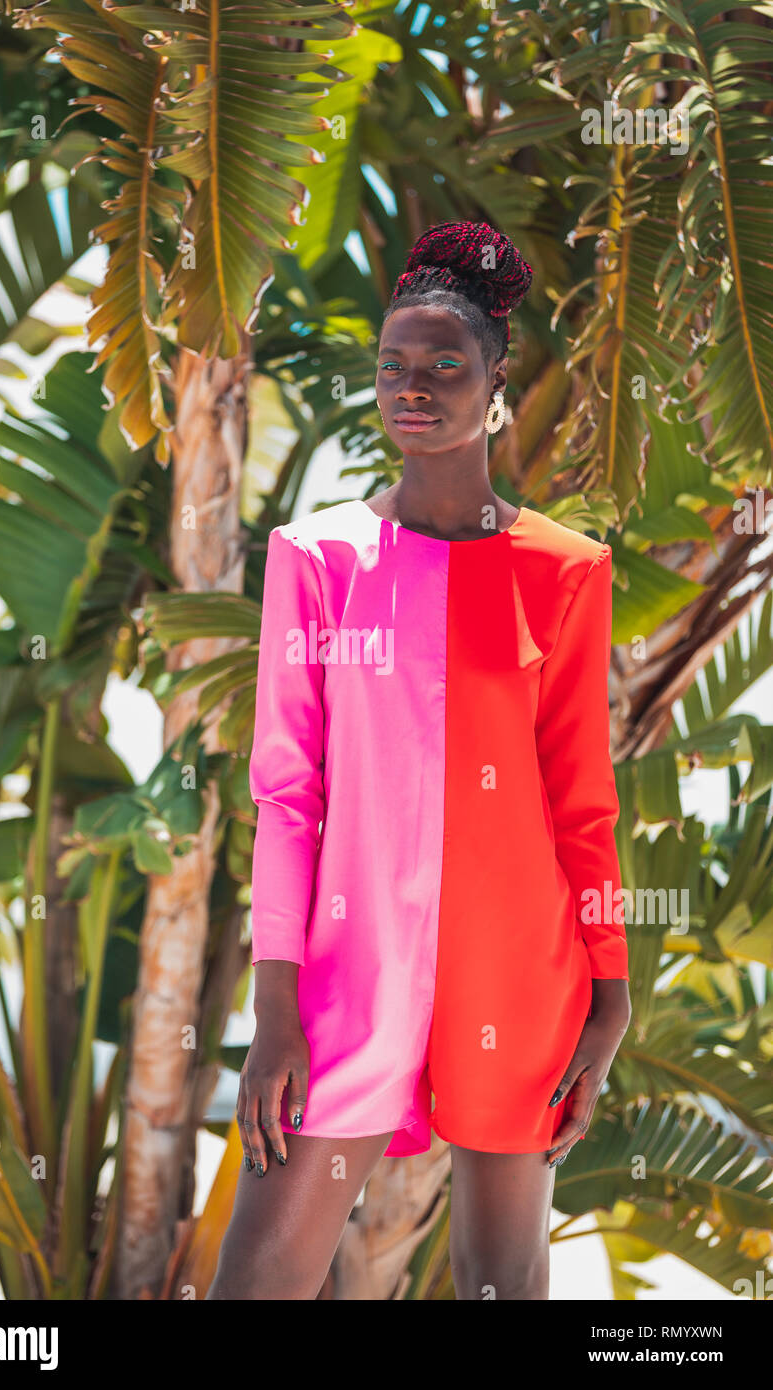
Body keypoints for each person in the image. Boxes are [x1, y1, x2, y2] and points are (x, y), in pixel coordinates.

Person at [206, 220, 631, 1301]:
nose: (413, 387)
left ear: (495, 382)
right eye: (393, 366)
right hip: (349, 973)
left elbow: (582, 800)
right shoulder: (316, 559)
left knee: (500, 1278)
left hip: (519, 971)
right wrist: (273, 1006)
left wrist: (611, 993)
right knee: (257, 1277)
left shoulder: (566, 571)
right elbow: (286, 796)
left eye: (444, 366)